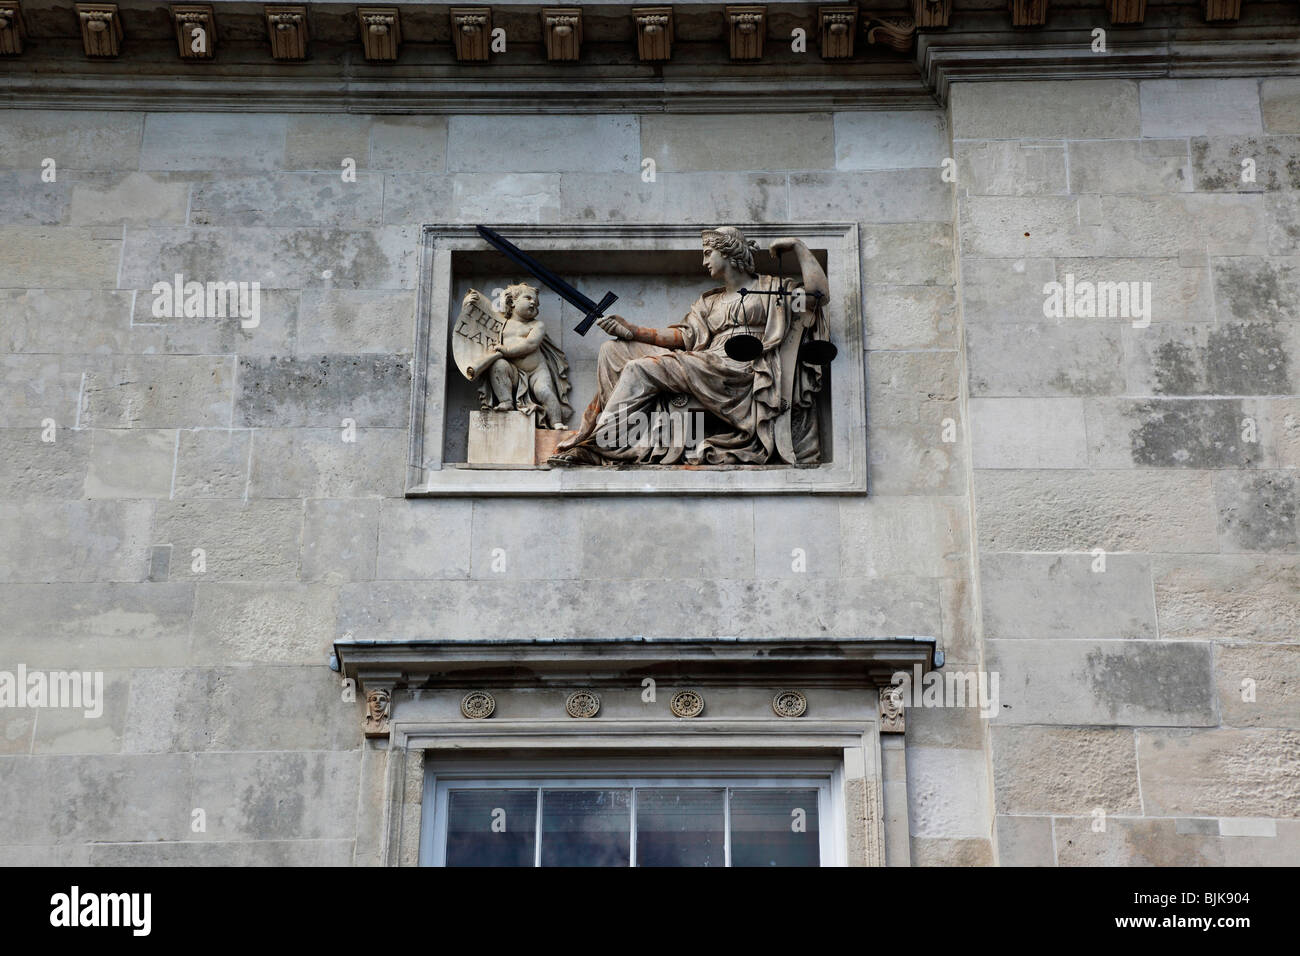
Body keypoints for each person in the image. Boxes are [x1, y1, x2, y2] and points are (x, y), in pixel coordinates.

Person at [551, 226, 829, 465]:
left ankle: (600, 443)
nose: (704, 260)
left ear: (729, 252)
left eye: (708, 253)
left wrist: (798, 247)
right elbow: (683, 337)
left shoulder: (773, 289)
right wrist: (632, 331)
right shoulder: (709, 301)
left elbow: (818, 296)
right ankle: (624, 438)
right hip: (708, 360)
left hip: (742, 366)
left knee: (639, 369)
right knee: (614, 351)